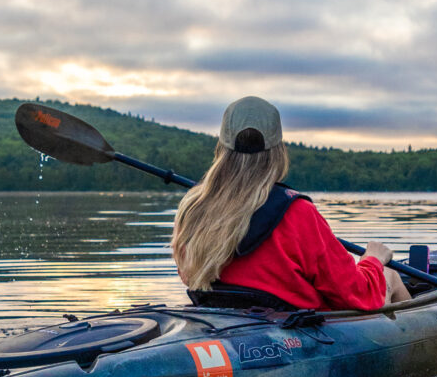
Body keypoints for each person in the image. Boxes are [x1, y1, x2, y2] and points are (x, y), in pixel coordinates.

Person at [171, 95, 409, 312]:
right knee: (389, 274)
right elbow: (359, 295)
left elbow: (188, 276)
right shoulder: (298, 213)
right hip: (294, 330)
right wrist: (373, 259)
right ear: (278, 151)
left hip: (224, 322)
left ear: (221, 148)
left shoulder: (193, 208)